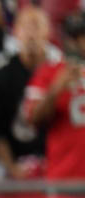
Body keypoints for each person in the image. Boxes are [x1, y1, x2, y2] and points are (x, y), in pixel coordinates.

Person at [0, 5, 53, 180]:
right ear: (15, 33)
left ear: (48, 32)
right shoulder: (0, 76)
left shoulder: (61, 72)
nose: (31, 34)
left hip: (56, 159)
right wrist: (13, 168)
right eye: (25, 27)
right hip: (13, 159)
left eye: (36, 26)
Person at [23, 12, 85, 180]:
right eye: (73, 36)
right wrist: (56, 88)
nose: (76, 43)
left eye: (81, 37)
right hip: (64, 176)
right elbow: (32, 119)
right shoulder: (49, 72)